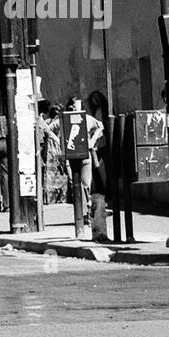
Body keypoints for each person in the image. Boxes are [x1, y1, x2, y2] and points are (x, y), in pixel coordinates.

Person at [66, 96, 108, 240]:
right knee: (75, 185)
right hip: (71, 158)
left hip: (85, 156)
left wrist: (93, 140)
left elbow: (101, 126)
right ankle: (83, 215)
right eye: (72, 106)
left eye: (77, 106)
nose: (74, 109)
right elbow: (53, 130)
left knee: (85, 185)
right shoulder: (65, 119)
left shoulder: (87, 119)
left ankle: (87, 213)